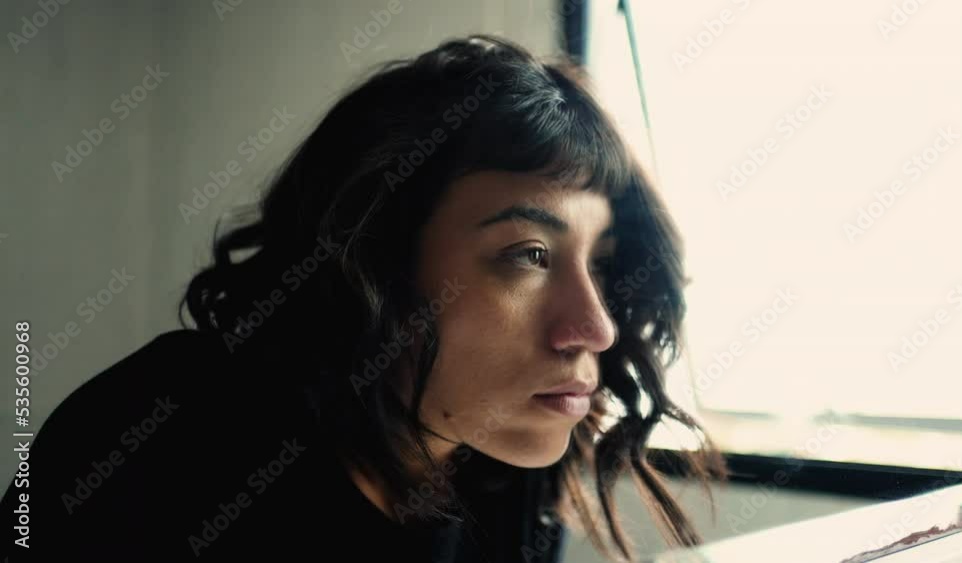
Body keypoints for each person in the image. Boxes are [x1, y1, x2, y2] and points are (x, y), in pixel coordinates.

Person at [1, 35, 726, 562]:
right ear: (371, 262)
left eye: (600, 266)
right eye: (528, 255)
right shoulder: (152, 442)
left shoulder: (504, 472)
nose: (593, 327)